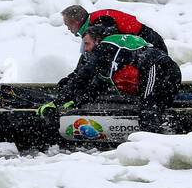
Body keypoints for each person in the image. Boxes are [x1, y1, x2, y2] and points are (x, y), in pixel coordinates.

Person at [40, 30, 182, 134]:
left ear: (97, 41)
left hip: (160, 68)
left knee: (148, 110)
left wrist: (57, 102)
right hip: (167, 73)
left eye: (87, 44)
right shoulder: (111, 59)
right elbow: (96, 88)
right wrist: (76, 100)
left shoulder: (105, 47)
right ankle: (163, 134)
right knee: (155, 110)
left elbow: (83, 76)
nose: (86, 49)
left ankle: (150, 146)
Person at [60, 5, 167, 53]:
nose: (68, 28)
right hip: (144, 46)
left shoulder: (99, 21)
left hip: (152, 44)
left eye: (67, 24)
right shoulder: (91, 26)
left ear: (75, 22)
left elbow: (109, 41)